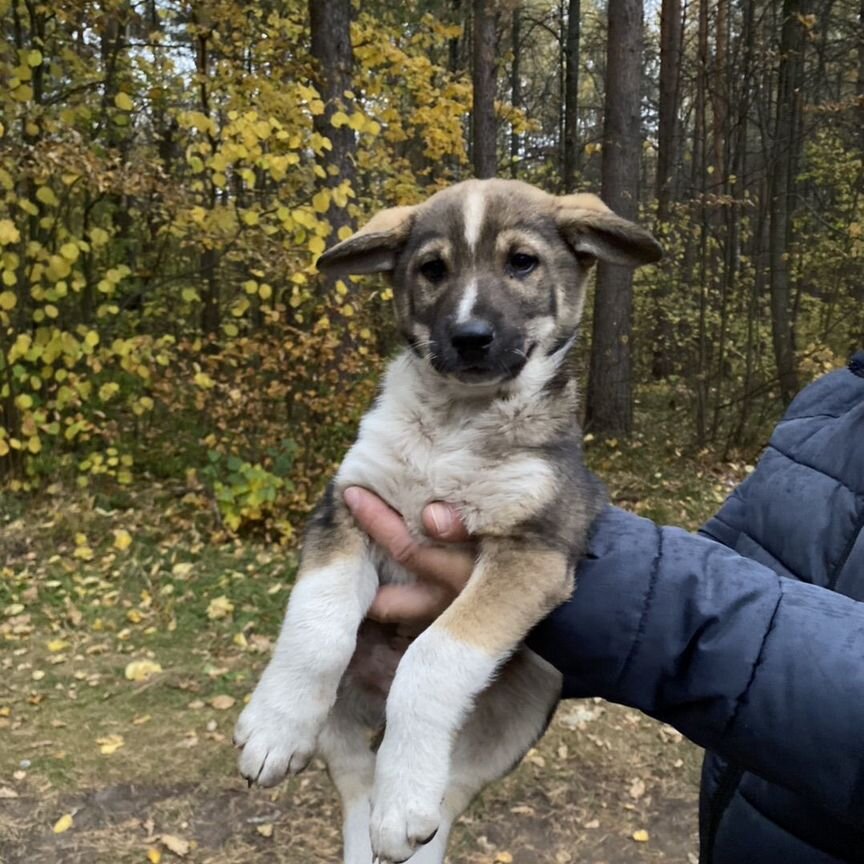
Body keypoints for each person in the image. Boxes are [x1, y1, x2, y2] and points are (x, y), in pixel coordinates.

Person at [342, 352, 864, 864]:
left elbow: (676, 601)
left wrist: (546, 565)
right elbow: (730, 561)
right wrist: (491, 616)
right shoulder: (835, 401)